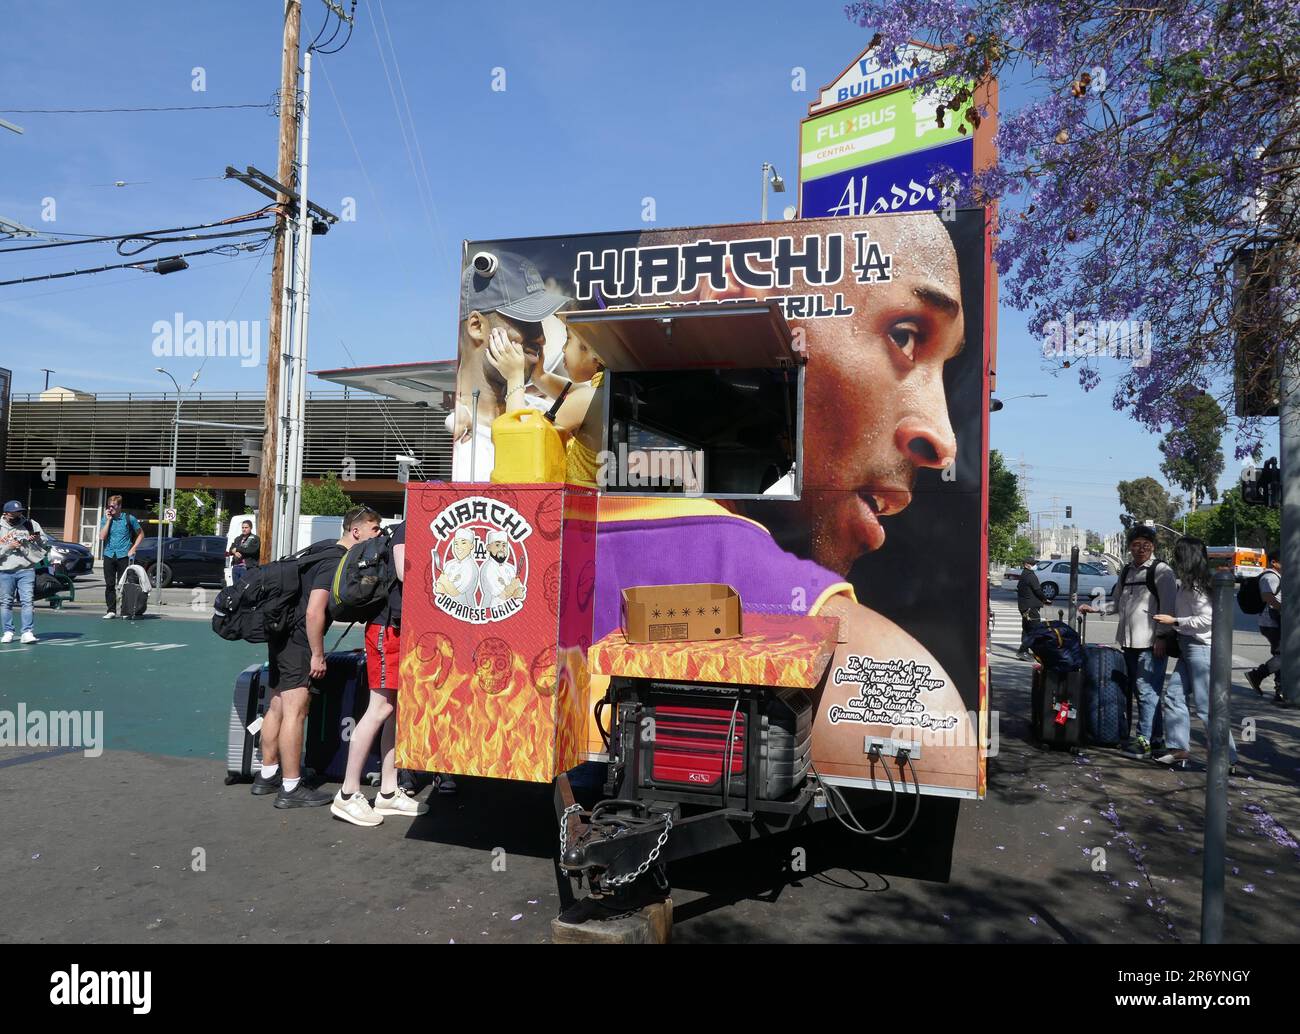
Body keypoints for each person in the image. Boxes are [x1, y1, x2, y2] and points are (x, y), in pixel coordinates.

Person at [252, 505, 383, 809]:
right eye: (374, 530)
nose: (377, 536)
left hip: (281, 634)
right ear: (356, 531)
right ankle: (291, 786)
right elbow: (314, 611)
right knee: (296, 712)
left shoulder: (320, 549)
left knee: (278, 705)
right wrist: (317, 655)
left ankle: (267, 775)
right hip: (299, 639)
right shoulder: (335, 561)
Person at [332, 520, 432, 825]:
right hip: (387, 628)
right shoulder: (407, 529)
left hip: (399, 629)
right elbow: (405, 573)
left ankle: (388, 791)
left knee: (394, 710)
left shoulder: (419, 528)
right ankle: (348, 794)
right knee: (380, 707)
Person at [451, 252, 570, 480]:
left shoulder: (542, 412)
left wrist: (540, 379)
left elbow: (596, 404)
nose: (542, 338)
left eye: (540, 321)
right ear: (476, 326)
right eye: (525, 321)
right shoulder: (451, 438)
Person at [1080, 526, 1176, 759]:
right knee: (1143, 692)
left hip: (1151, 644)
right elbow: (1117, 604)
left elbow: (1168, 608)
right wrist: (1095, 608)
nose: (1141, 549)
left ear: (1153, 546)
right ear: (1129, 546)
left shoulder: (1161, 571)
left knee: (1146, 692)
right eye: (1136, 544)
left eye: (1146, 544)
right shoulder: (1127, 571)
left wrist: (1162, 637)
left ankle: (1143, 739)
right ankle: (1156, 740)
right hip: (1129, 643)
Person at [1153, 536, 1237, 772]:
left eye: (1178, 553)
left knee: (1206, 706)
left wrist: (1174, 620)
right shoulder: (1189, 582)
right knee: (1174, 696)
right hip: (1189, 647)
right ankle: (1179, 748)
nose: (1175, 557)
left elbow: (1206, 620)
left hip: (1201, 648)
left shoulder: (1198, 585)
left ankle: (1227, 757)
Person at [0, 501, 46, 645]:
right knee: (6, 602)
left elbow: (44, 542)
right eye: (14, 513)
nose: (18, 515)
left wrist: (38, 539)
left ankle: (27, 632)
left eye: (20, 512)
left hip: (26, 569)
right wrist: (8, 547)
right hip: (5, 570)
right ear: (6, 514)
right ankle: (8, 632)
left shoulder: (30, 524)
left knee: (27, 601)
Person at [99, 494, 144, 619]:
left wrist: (134, 547)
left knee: (124, 584)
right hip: (109, 554)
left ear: (119, 506)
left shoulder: (129, 519)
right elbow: (102, 537)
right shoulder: (106, 519)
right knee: (109, 584)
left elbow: (141, 534)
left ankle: (125, 611)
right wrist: (108, 520)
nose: (110, 509)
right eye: (109, 506)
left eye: (113, 506)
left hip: (124, 555)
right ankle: (111, 610)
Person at [1246, 557, 1282, 702]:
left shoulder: (1276, 576)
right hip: (1271, 622)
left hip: (1272, 622)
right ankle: (1257, 675)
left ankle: (1280, 690)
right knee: (1284, 656)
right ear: (1274, 562)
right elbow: (1267, 597)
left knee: (1280, 654)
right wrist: (1284, 609)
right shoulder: (1270, 577)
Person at [1016, 557, 1050, 661]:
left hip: (1024, 606)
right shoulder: (1031, 576)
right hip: (1031, 608)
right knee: (1035, 630)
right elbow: (1038, 590)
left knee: (1026, 629)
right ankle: (1023, 650)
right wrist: (1045, 599)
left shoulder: (1023, 575)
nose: (1035, 566)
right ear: (1026, 565)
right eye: (1032, 564)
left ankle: (1024, 652)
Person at [227, 519, 260, 585]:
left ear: (251, 528)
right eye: (243, 527)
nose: (244, 529)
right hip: (236, 567)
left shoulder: (254, 538)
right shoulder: (238, 538)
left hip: (246, 568)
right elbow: (230, 550)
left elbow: (251, 550)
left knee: (245, 589)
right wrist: (234, 552)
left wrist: (237, 549)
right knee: (236, 589)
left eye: (246, 527)